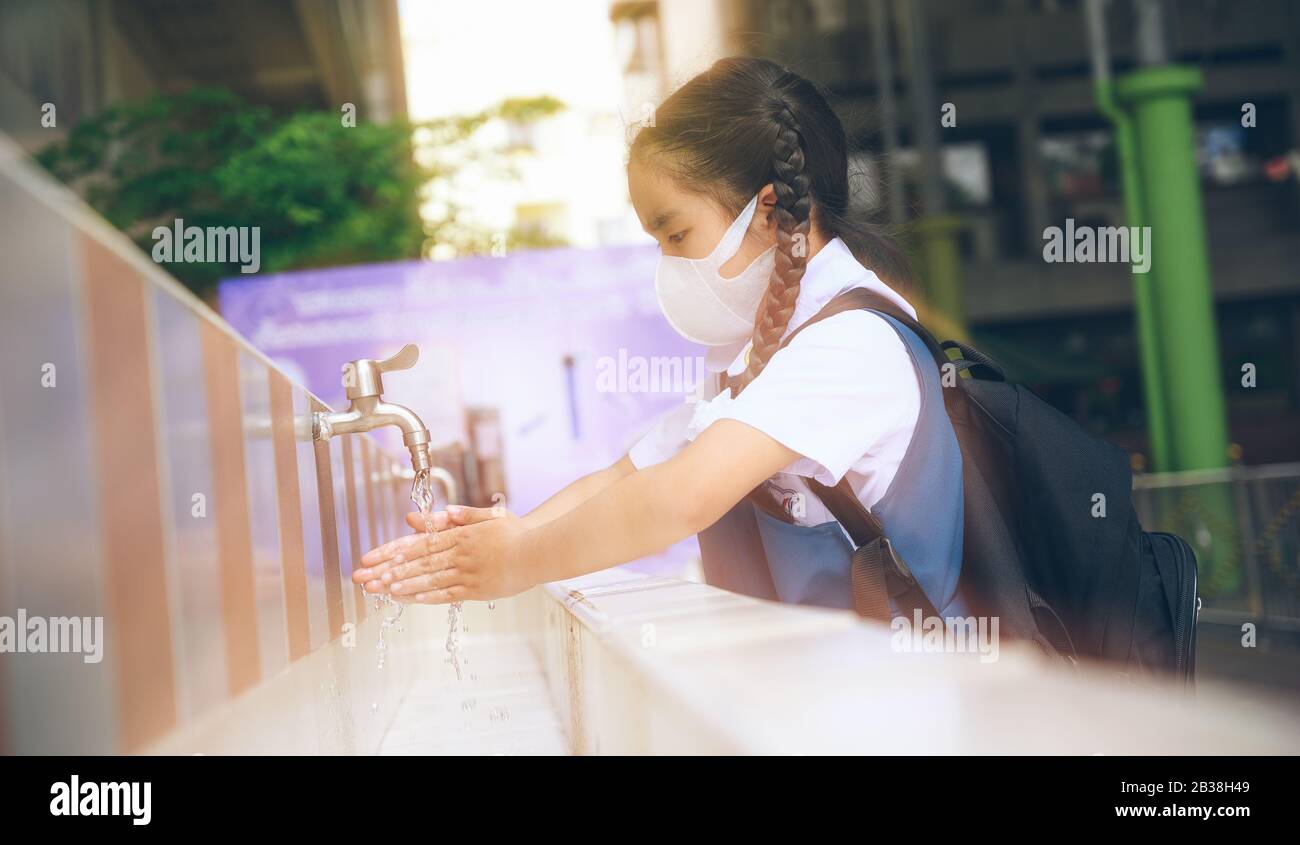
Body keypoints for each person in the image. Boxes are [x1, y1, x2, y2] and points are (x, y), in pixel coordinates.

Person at [352, 57, 968, 617]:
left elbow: (678, 497)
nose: (668, 265)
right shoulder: (760, 357)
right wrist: (500, 535)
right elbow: (628, 475)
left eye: (675, 236)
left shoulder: (849, 347)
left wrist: (516, 561)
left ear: (771, 208)